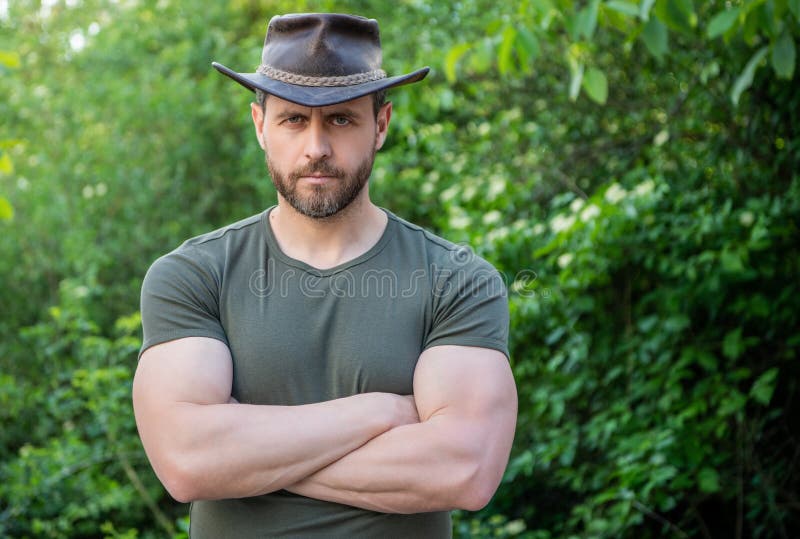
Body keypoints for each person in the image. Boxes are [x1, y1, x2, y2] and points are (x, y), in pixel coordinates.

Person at [132, 12, 517, 539]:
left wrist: (247, 459)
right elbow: (187, 462)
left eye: (341, 119)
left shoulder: (457, 280)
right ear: (260, 126)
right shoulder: (194, 276)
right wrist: (378, 413)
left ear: (380, 126)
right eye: (293, 120)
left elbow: (463, 471)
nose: (316, 147)